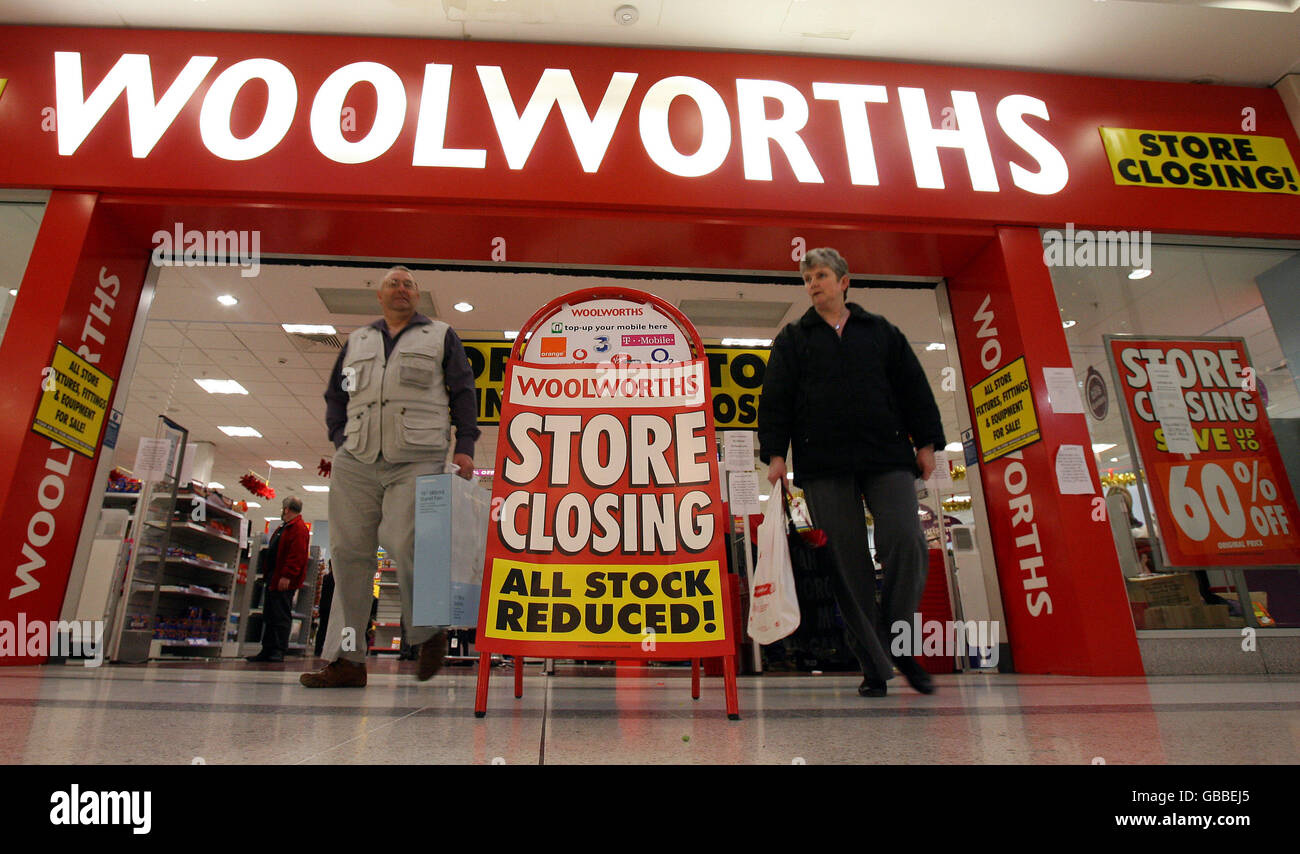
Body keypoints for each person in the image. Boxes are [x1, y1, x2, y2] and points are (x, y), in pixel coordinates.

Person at [758, 247, 945, 697]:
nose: (813, 284)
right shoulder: (793, 339)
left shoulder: (880, 332)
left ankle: (898, 641)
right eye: (807, 279)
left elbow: (913, 388)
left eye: (821, 275)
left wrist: (926, 443)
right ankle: (875, 665)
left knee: (906, 539)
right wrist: (776, 456)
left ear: (844, 281)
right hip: (823, 463)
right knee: (846, 563)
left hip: (887, 455)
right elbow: (775, 400)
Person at [301, 265, 479, 688]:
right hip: (357, 458)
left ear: (417, 297)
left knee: (404, 539)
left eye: (409, 284)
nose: (401, 289)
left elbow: (463, 390)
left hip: (416, 455)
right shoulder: (358, 341)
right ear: (379, 296)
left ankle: (426, 630)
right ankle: (348, 660)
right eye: (393, 284)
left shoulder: (440, 335)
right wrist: (339, 437)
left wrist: (466, 444)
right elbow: (336, 394)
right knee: (348, 556)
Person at [247, 496, 310, 663]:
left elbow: (296, 555)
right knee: (269, 614)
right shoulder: (285, 527)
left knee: (280, 615)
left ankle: (278, 650)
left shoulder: (298, 529)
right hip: (274, 578)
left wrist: (287, 576)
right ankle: (267, 649)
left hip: (283, 580)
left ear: (287, 509)